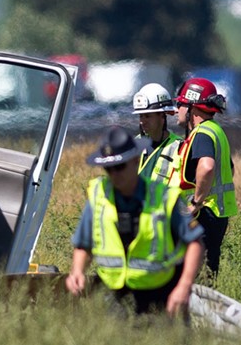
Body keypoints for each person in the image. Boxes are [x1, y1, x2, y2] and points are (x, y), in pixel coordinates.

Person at [66, 126, 205, 319]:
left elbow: (195, 243)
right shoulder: (98, 195)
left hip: (160, 296)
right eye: (109, 169)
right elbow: (83, 243)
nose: (114, 174)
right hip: (114, 297)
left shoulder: (165, 197)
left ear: (135, 160)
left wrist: (184, 286)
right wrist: (77, 271)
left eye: (120, 166)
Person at [172, 77, 236, 278]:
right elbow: (230, 169)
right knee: (208, 273)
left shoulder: (202, 133)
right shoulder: (216, 131)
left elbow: (207, 167)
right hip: (217, 214)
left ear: (192, 107)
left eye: (180, 104)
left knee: (194, 275)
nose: (176, 110)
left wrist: (196, 201)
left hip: (205, 215)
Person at [132, 83, 183, 184]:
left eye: (147, 116)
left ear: (162, 116)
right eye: (141, 116)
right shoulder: (134, 144)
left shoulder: (179, 147)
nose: (142, 121)